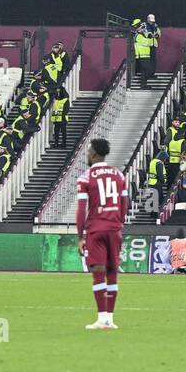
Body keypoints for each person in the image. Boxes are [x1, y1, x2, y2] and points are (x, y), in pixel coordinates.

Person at [76, 138, 127, 330]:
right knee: (113, 272)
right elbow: (124, 204)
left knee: (98, 272)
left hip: (96, 229)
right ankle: (110, 319)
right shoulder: (119, 175)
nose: (88, 153)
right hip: (114, 228)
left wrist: (80, 236)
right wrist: (119, 222)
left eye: (89, 150)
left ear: (95, 153)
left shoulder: (86, 177)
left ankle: (102, 317)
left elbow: (81, 209)